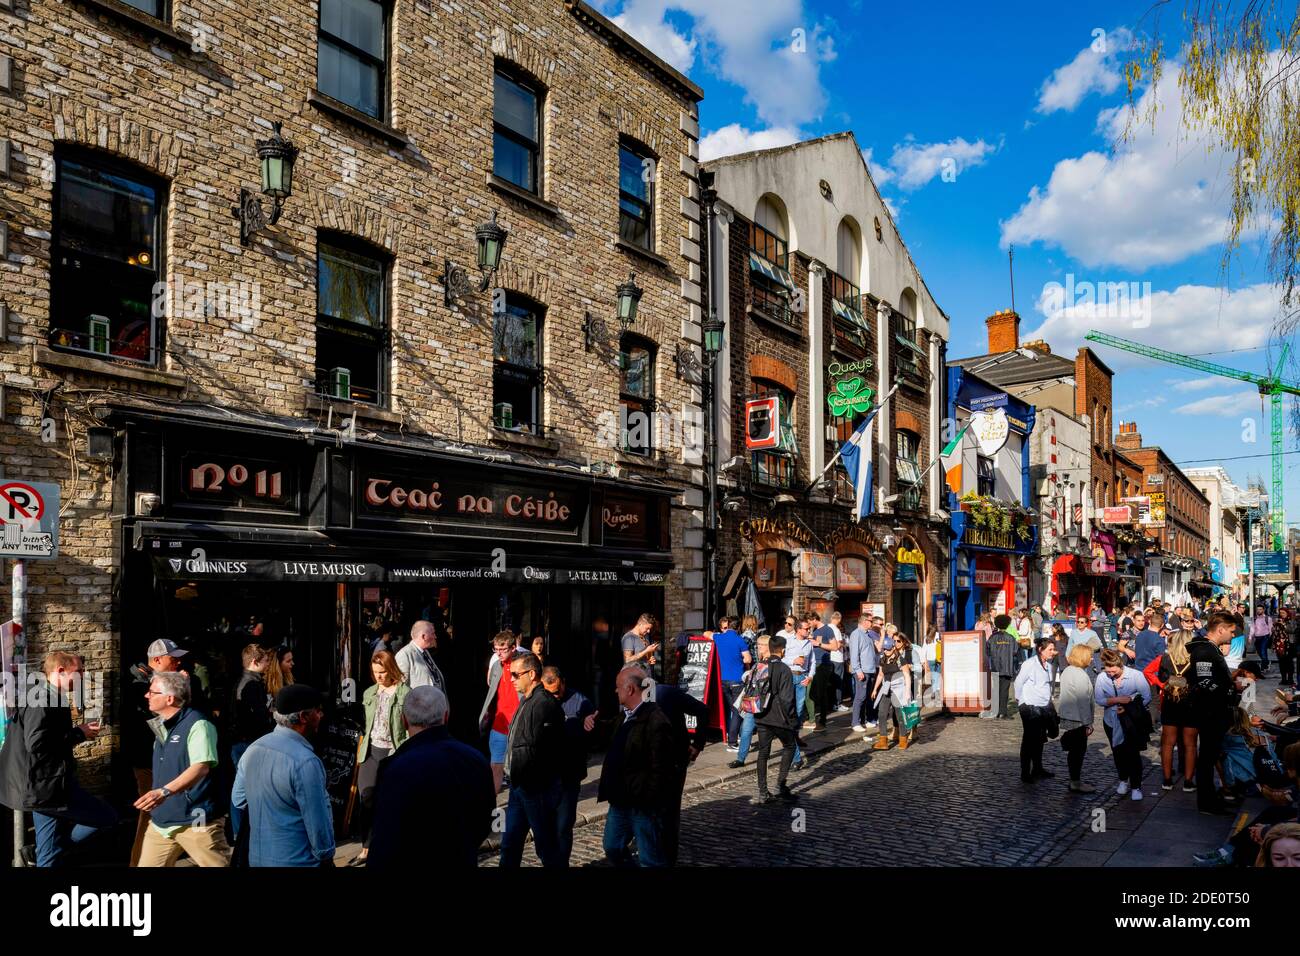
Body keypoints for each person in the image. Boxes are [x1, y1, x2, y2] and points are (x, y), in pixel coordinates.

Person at [0, 651, 115, 867]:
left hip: (44, 785)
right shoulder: (43, 698)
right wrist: (78, 733)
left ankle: (39, 852)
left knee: (48, 855)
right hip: (45, 787)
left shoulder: (48, 696)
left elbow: (44, 737)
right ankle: (41, 851)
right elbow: (36, 744)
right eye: (79, 671)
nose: (83, 675)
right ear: (60, 671)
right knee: (106, 816)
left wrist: (76, 733)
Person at [366, 686, 494, 868]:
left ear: (403, 721)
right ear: (446, 717)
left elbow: (385, 835)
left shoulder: (395, 767)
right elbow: (484, 818)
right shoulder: (475, 759)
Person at [230, 684, 335, 867]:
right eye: (318, 711)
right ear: (303, 717)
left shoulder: (253, 749)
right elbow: (318, 826)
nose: (321, 716)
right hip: (298, 861)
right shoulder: (306, 762)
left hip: (257, 859)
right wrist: (326, 856)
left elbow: (238, 799)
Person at [134, 671, 231, 867]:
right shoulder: (161, 726)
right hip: (162, 821)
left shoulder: (199, 725)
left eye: (152, 692)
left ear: (169, 698)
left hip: (196, 820)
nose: (147, 696)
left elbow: (201, 767)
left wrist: (164, 792)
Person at [598, 666, 676, 867]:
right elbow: (612, 739)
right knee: (612, 847)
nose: (616, 691)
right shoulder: (625, 715)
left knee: (650, 859)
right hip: (621, 800)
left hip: (643, 803)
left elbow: (662, 768)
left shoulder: (655, 720)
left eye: (618, 687)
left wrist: (649, 798)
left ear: (630, 689)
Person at [125, 637, 192, 867]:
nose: (178, 664)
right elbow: (167, 721)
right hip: (148, 761)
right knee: (150, 813)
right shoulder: (142, 688)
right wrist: (183, 691)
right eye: (173, 660)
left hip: (160, 758)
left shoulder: (159, 684)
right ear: (157, 660)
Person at [499, 650, 566, 867]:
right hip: (519, 786)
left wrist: (529, 778)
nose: (512, 679)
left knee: (546, 846)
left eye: (516, 675)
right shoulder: (528, 700)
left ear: (531, 674)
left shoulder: (543, 703)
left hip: (535, 788)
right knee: (510, 844)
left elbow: (540, 749)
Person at [349, 651, 410, 866]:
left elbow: (407, 727)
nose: (379, 677)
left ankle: (393, 845)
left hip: (394, 752)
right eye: (375, 673)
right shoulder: (369, 693)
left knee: (392, 801)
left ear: (391, 669)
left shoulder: (404, 694)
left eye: (383, 672)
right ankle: (366, 848)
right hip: (371, 751)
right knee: (366, 799)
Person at [649, 679, 709, 865]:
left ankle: (666, 858)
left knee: (668, 812)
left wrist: (698, 743)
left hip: (672, 761)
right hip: (648, 765)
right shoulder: (631, 698)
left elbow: (702, 710)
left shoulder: (666, 693)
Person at [542, 666, 597, 866]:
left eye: (558, 691)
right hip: (545, 776)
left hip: (569, 775)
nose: (556, 696)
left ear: (563, 682)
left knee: (564, 826)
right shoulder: (538, 700)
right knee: (545, 827)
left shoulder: (580, 701)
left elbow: (595, 732)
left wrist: (590, 725)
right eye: (551, 693)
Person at [1190, 611, 1239, 815]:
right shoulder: (1204, 651)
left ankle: (1210, 798)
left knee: (1210, 756)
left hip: (1214, 711)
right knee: (1207, 758)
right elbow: (1204, 682)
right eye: (1231, 631)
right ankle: (1207, 802)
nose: (1233, 635)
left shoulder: (1211, 649)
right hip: (1210, 713)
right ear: (1220, 629)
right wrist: (1227, 691)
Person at [1095, 648, 1153, 801]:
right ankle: (1122, 779)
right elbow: (1099, 699)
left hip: (1131, 721)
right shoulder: (1102, 678)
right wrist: (1118, 700)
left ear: (1120, 665)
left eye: (1113, 671)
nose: (1111, 674)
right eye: (1108, 672)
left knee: (1132, 753)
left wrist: (1129, 705)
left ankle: (1136, 786)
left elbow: (1146, 697)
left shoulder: (1136, 676)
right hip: (1111, 721)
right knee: (1118, 752)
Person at [753, 634, 800, 805]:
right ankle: (780, 785)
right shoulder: (784, 669)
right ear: (783, 651)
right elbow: (788, 700)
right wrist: (794, 721)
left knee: (763, 753)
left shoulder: (759, 666)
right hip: (780, 718)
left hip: (761, 716)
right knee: (790, 746)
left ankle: (763, 791)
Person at [1153, 629, 1198, 792]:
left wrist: (1164, 684)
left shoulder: (1165, 658)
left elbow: (1155, 675)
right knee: (1191, 745)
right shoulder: (1195, 660)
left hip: (1170, 704)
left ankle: (1166, 780)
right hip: (1191, 705)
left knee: (1167, 744)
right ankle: (1188, 781)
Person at [479, 630, 522, 793]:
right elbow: (492, 691)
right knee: (495, 765)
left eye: (502, 649)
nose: (498, 653)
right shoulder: (497, 664)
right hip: (499, 723)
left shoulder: (524, 663)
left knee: (516, 768)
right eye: (496, 649)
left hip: (518, 724)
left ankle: (518, 806)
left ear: (513, 648)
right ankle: (492, 805)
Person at [1014, 636, 1058, 782]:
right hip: (1029, 706)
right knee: (1029, 740)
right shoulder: (1029, 664)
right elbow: (1018, 683)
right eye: (1050, 649)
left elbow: (1046, 686)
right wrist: (1020, 700)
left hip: (1043, 706)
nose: (1053, 652)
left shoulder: (1049, 665)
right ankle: (1025, 773)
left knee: (1040, 738)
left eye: (1053, 649)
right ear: (1040, 650)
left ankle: (1037, 768)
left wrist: (1049, 703)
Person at [1057, 643, 1097, 793]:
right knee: (1078, 751)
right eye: (1090, 656)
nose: (1092, 659)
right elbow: (1082, 701)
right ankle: (1075, 781)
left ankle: (1075, 779)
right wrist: (1088, 723)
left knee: (1075, 749)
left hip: (1069, 714)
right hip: (1078, 718)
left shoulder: (1068, 670)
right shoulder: (1080, 674)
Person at [710, 616, 751, 751]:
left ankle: (731, 735)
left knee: (730, 709)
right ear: (738, 627)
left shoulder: (719, 637)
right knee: (737, 710)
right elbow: (747, 659)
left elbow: (706, 633)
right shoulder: (740, 640)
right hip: (736, 680)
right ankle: (732, 742)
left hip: (723, 680)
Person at [871, 629, 914, 751]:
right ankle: (883, 741)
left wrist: (907, 692)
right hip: (886, 689)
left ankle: (903, 739)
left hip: (899, 690)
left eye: (888, 649)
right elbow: (880, 675)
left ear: (893, 648)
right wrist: (875, 689)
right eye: (884, 649)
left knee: (899, 715)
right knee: (882, 714)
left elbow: (907, 675)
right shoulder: (882, 659)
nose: (886, 651)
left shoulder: (901, 659)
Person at [730, 635, 770, 768]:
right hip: (753, 700)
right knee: (746, 730)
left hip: (767, 701)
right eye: (757, 645)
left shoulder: (773, 662)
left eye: (760, 645)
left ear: (767, 646)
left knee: (781, 732)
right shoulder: (759, 661)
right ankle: (740, 759)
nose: (757, 647)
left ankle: (796, 758)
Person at [784, 615, 816, 741]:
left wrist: (810, 676)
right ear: (798, 630)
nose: (809, 631)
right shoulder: (788, 641)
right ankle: (787, 736)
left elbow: (812, 661)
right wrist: (793, 661)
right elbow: (780, 659)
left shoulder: (809, 643)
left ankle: (795, 737)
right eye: (806, 629)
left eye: (809, 629)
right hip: (789, 676)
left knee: (799, 708)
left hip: (802, 677)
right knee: (787, 707)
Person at [395, 620, 448, 693]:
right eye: (433, 633)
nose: (435, 636)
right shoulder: (404, 655)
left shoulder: (425, 651)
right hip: (420, 703)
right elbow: (401, 687)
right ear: (423, 636)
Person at [849, 613, 880, 733]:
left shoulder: (867, 635)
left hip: (870, 670)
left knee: (867, 697)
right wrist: (858, 670)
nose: (872, 623)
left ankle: (864, 720)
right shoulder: (856, 634)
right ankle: (855, 722)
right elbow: (854, 654)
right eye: (871, 621)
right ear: (864, 621)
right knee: (860, 697)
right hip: (862, 671)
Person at [809, 613, 840, 729]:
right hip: (814, 664)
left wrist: (818, 644)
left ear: (814, 619)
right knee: (813, 694)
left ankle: (822, 720)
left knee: (821, 693)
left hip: (823, 665)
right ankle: (817, 718)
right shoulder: (815, 631)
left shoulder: (827, 630)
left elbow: (835, 647)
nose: (809, 624)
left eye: (810, 621)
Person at [985, 615, 1019, 720]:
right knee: (1004, 690)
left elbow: (987, 651)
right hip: (1007, 667)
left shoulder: (992, 637)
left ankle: (995, 711)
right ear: (1007, 624)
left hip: (995, 666)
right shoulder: (1011, 638)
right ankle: (1002, 712)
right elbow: (1015, 651)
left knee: (996, 689)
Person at [1251, 607, 1273, 674]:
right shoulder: (1254, 618)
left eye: (1260, 609)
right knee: (1259, 652)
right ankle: (1267, 662)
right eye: (1257, 609)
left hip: (1265, 637)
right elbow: (1252, 628)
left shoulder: (1268, 618)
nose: (1259, 610)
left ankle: (1263, 668)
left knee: (1263, 652)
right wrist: (1250, 637)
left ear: (1263, 610)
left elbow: (1270, 628)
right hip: (1257, 638)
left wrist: (1270, 637)